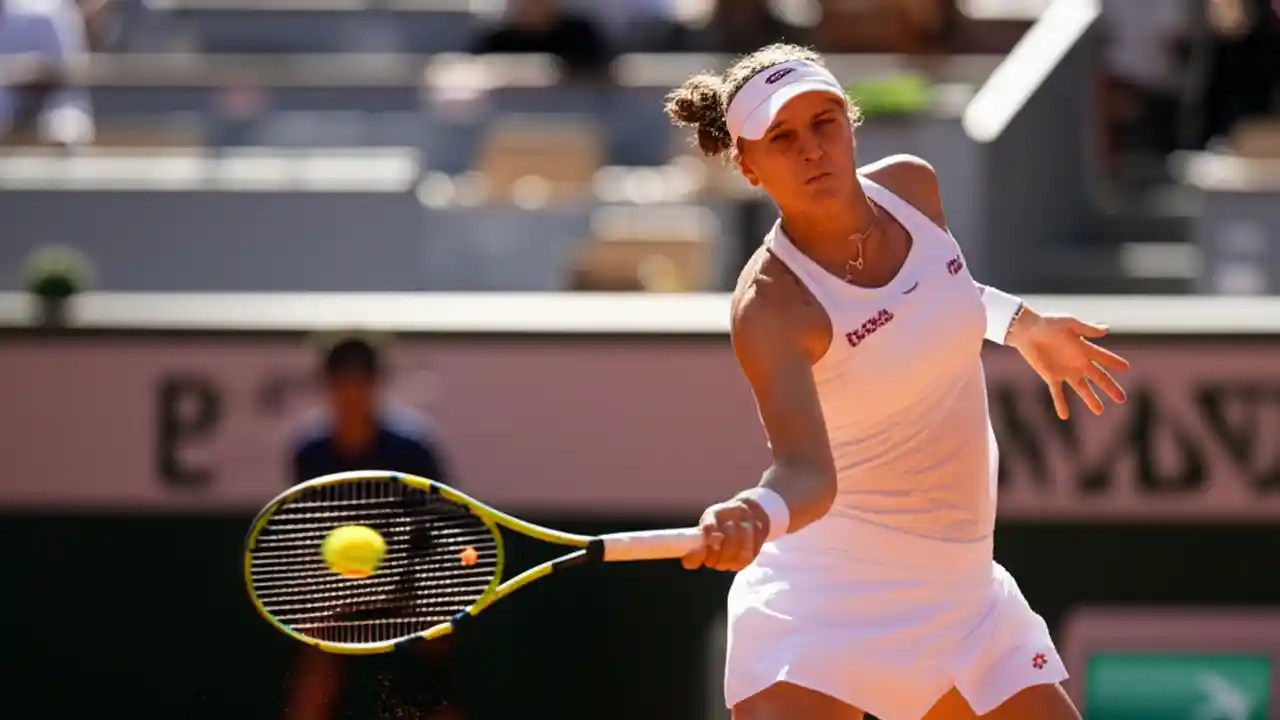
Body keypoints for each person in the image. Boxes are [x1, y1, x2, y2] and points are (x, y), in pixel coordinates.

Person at [665, 44, 1131, 720]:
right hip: (825, 600)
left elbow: (942, 292)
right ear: (748, 164)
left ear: (850, 123)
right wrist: (756, 514)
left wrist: (1020, 324)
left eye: (824, 123)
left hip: (963, 596)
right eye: (782, 138)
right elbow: (805, 473)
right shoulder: (771, 307)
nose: (811, 150)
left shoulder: (913, 187)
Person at [284, 336, 461, 720]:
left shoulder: (414, 450)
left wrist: (430, 606)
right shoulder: (309, 452)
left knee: (430, 690)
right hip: (340, 591)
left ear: (375, 384)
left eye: (360, 381)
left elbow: (438, 532)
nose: (351, 393)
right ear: (327, 386)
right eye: (341, 382)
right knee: (314, 678)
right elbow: (309, 532)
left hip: (409, 592)